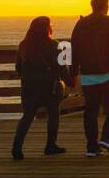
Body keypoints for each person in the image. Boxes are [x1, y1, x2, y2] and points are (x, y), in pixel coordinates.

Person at [70, 0, 109, 156]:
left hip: (88, 75)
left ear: (91, 5)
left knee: (91, 111)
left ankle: (91, 146)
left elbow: (74, 48)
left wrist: (74, 71)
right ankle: (107, 138)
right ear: (106, 6)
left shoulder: (81, 24)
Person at [12, 16, 70, 159]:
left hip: (29, 88)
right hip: (49, 88)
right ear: (47, 29)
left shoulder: (24, 45)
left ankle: (16, 148)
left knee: (27, 117)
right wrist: (68, 80)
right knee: (54, 116)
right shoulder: (54, 45)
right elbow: (62, 69)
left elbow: (18, 67)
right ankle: (50, 145)